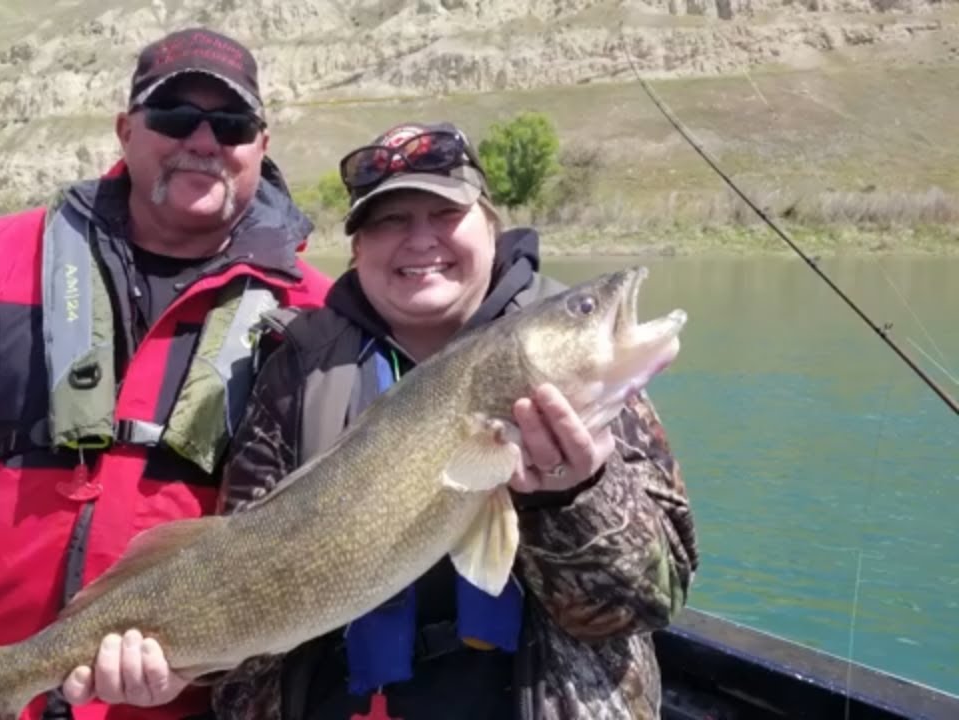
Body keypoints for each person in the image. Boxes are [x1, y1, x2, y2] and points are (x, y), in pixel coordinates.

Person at [61, 121, 699, 719]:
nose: (420, 239)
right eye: (389, 221)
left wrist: (573, 494)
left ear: (491, 225)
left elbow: (645, 603)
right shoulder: (297, 371)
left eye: (446, 213)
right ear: (358, 246)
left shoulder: (584, 389)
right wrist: (183, 666)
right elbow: (247, 579)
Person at [0, 27, 333, 720]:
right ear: (125, 130)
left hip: (172, 699)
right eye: (173, 117)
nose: (203, 140)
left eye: (231, 124)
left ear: (260, 145)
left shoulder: (312, 313)